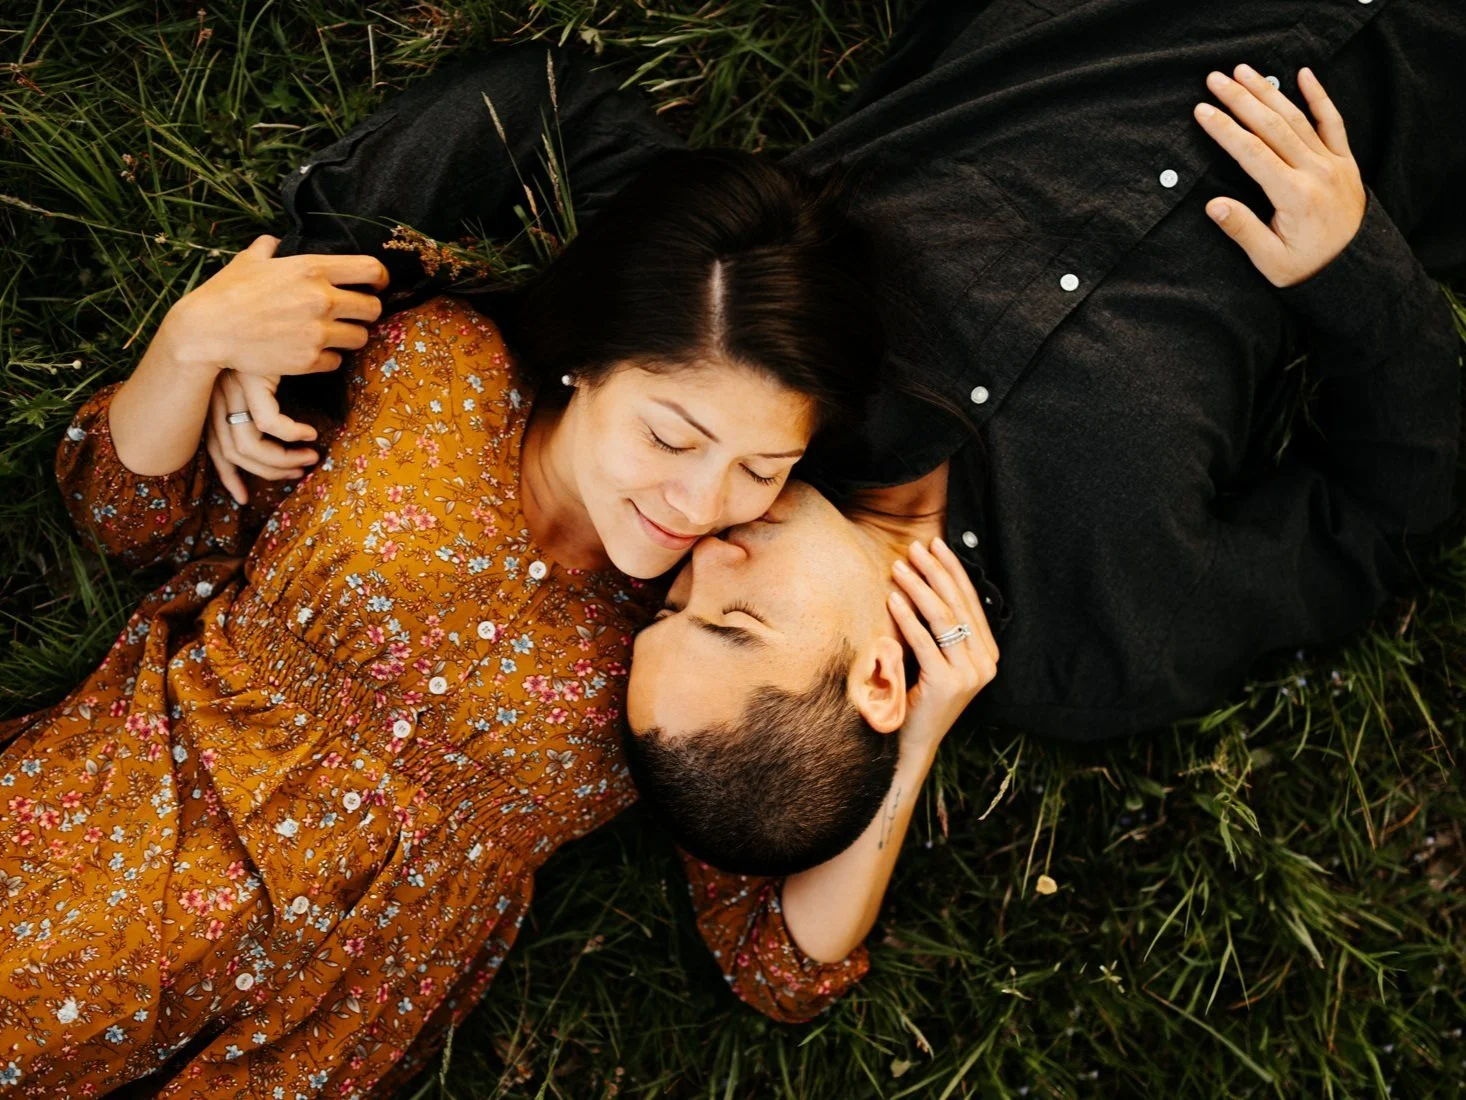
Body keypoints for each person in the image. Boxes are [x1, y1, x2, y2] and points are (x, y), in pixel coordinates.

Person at [0, 150, 989, 1097]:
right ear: (590, 359)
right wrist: (192, 343)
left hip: (298, 1046)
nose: (697, 498)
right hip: (96, 854)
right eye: (668, 434)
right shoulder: (435, 371)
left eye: (760, 467)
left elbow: (776, 956)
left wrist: (917, 734)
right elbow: (128, 510)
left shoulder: (701, 631)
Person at [242, 0, 1463, 751]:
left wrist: (295, 288)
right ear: (877, 677)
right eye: (722, 616)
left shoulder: (770, 363)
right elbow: (1385, 512)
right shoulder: (1099, 645)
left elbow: (541, 113)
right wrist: (1351, 269)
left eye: (665, 600)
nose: (694, 547)